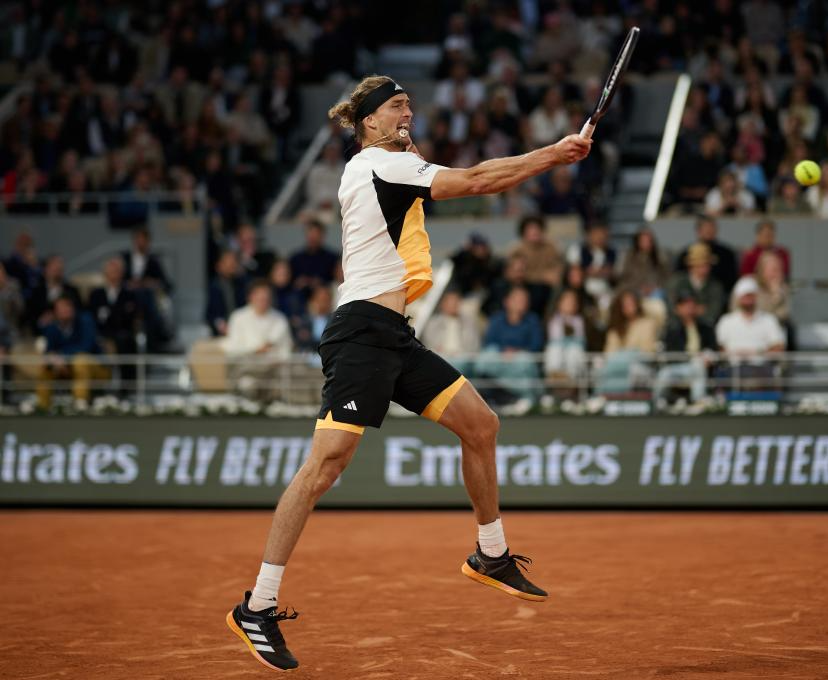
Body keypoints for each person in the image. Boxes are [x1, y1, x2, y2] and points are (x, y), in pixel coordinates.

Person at [227, 75, 592, 670]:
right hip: (361, 335)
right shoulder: (381, 164)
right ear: (368, 121)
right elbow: (477, 181)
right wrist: (555, 154)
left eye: (410, 106)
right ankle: (257, 605)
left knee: (480, 424)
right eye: (397, 106)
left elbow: (431, 180)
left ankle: (490, 554)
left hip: (395, 335)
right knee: (324, 467)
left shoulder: (380, 165)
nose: (408, 114)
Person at [222, 280, 294, 401]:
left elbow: (286, 348)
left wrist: (276, 357)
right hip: (246, 372)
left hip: (274, 373)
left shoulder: (280, 319)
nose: (263, 301)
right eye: (260, 298)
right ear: (250, 297)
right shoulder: (238, 317)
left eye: (266, 298)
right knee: (247, 385)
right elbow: (233, 348)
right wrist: (256, 349)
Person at [35, 296, 108, 408]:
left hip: (96, 368)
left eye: (67, 306)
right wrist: (53, 360)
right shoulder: (52, 327)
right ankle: (42, 407)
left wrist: (62, 357)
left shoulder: (85, 320)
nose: (65, 310)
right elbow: (49, 351)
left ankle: (80, 404)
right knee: (45, 366)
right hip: (64, 368)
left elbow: (86, 347)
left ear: (73, 308)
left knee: (81, 361)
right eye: (61, 308)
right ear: (55, 312)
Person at [714, 277, 786, 391]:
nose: (748, 300)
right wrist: (735, 354)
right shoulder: (726, 321)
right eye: (745, 296)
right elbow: (719, 347)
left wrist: (757, 353)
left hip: (761, 368)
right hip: (733, 368)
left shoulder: (769, 320)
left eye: (751, 296)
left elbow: (778, 347)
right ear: (738, 298)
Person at [476, 286, 544, 402]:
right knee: (485, 358)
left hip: (520, 359)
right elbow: (489, 342)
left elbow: (536, 345)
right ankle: (508, 395)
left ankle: (518, 396)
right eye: (517, 299)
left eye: (524, 300)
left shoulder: (533, 320)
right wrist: (503, 351)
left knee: (524, 361)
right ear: (506, 301)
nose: (521, 303)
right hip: (500, 358)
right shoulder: (496, 319)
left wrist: (516, 351)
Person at [655, 292, 717, 405]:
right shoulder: (672, 329)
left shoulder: (706, 327)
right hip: (678, 367)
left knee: (698, 365)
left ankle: (698, 401)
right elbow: (670, 354)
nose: (689, 308)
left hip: (701, 367)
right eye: (685, 305)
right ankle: (656, 403)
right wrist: (691, 358)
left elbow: (712, 348)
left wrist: (707, 357)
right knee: (664, 374)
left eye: (692, 304)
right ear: (677, 308)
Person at [597, 290, 659, 395]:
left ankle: (597, 395)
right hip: (617, 367)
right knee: (603, 375)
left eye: (631, 303)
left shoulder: (648, 324)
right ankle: (599, 397)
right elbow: (609, 353)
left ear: (637, 304)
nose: (628, 307)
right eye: (625, 304)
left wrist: (626, 354)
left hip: (638, 363)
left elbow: (647, 351)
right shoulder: (615, 329)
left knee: (631, 369)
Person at [421, 290, 480, 375]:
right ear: (443, 305)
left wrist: (462, 353)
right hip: (442, 357)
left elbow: (474, 345)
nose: (453, 305)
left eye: (456, 302)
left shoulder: (469, 322)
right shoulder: (433, 323)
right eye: (450, 303)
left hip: (463, 359)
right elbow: (429, 344)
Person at [676, 214, 738, 293]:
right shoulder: (686, 253)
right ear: (698, 230)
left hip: (719, 293)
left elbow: (732, 280)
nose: (709, 231)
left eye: (712, 228)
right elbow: (679, 277)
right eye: (706, 228)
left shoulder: (726, 254)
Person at [543, 288, 588, 392]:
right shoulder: (554, 320)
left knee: (574, 352)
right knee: (554, 351)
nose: (569, 304)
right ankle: (555, 377)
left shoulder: (579, 321)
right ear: (559, 303)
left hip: (573, 349)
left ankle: (570, 379)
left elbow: (581, 339)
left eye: (572, 302)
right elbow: (554, 338)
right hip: (558, 348)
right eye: (566, 301)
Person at [507, 215, 563, 290]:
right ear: (523, 232)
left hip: (548, 286)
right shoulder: (516, 250)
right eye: (531, 229)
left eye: (537, 228)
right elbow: (515, 274)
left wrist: (554, 274)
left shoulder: (551, 248)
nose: (535, 232)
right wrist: (542, 276)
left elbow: (558, 267)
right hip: (526, 286)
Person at [288, 220, 340, 298]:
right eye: (311, 234)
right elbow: (289, 281)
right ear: (306, 235)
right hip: (300, 297)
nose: (313, 238)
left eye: (316, 234)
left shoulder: (332, 258)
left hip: (325, 296)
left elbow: (336, 281)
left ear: (322, 236)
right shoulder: (295, 258)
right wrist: (299, 282)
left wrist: (320, 283)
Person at [617, 228, 670, 300]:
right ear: (637, 241)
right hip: (633, 289)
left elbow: (665, 276)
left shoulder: (659, 257)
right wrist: (639, 287)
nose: (646, 243)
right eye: (643, 240)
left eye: (649, 240)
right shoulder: (628, 257)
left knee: (659, 295)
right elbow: (622, 276)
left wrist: (653, 287)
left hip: (654, 290)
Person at [205, 250, 248, 337]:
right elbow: (212, 314)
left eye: (233, 262)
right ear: (219, 265)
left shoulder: (241, 284)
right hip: (222, 329)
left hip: (242, 327)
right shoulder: (214, 286)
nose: (231, 265)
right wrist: (221, 325)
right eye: (227, 262)